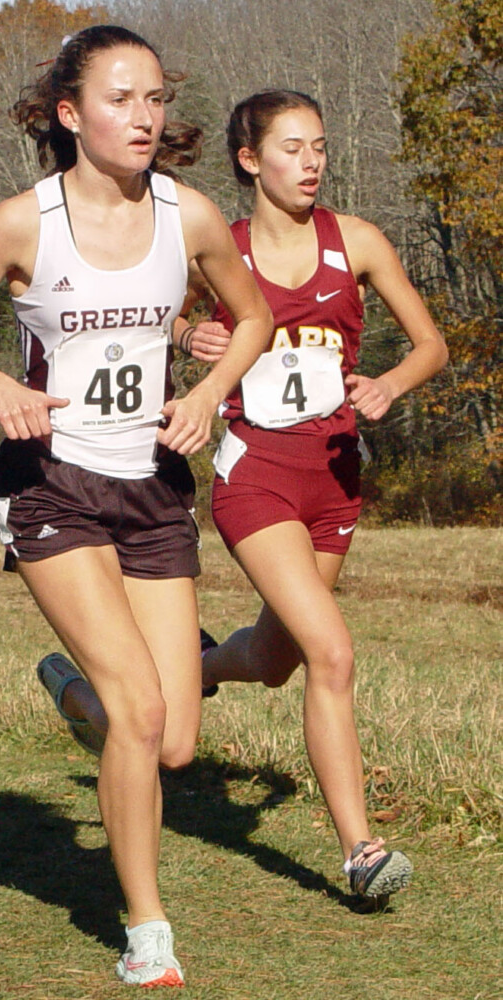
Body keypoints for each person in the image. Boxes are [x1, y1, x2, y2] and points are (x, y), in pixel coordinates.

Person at [0, 26, 270, 988]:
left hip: (151, 484)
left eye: (155, 97)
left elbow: (256, 318)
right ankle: (145, 929)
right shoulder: (23, 224)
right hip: (50, 482)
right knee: (142, 712)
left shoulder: (189, 216)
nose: (144, 116)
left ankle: (73, 691)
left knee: (176, 741)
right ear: (70, 115)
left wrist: (203, 395)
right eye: (121, 98)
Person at [174, 89, 448, 901]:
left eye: (319, 147)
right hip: (253, 476)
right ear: (249, 160)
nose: (312, 163)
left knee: (275, 658)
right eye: (292, 149)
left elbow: (430, 342)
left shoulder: (355, 242)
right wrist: (190, 334)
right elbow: (149, 320)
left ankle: (193, 668)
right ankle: (360, 850)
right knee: (332, 651)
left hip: (333, 480)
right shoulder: (215, 249)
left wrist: (391, 383)